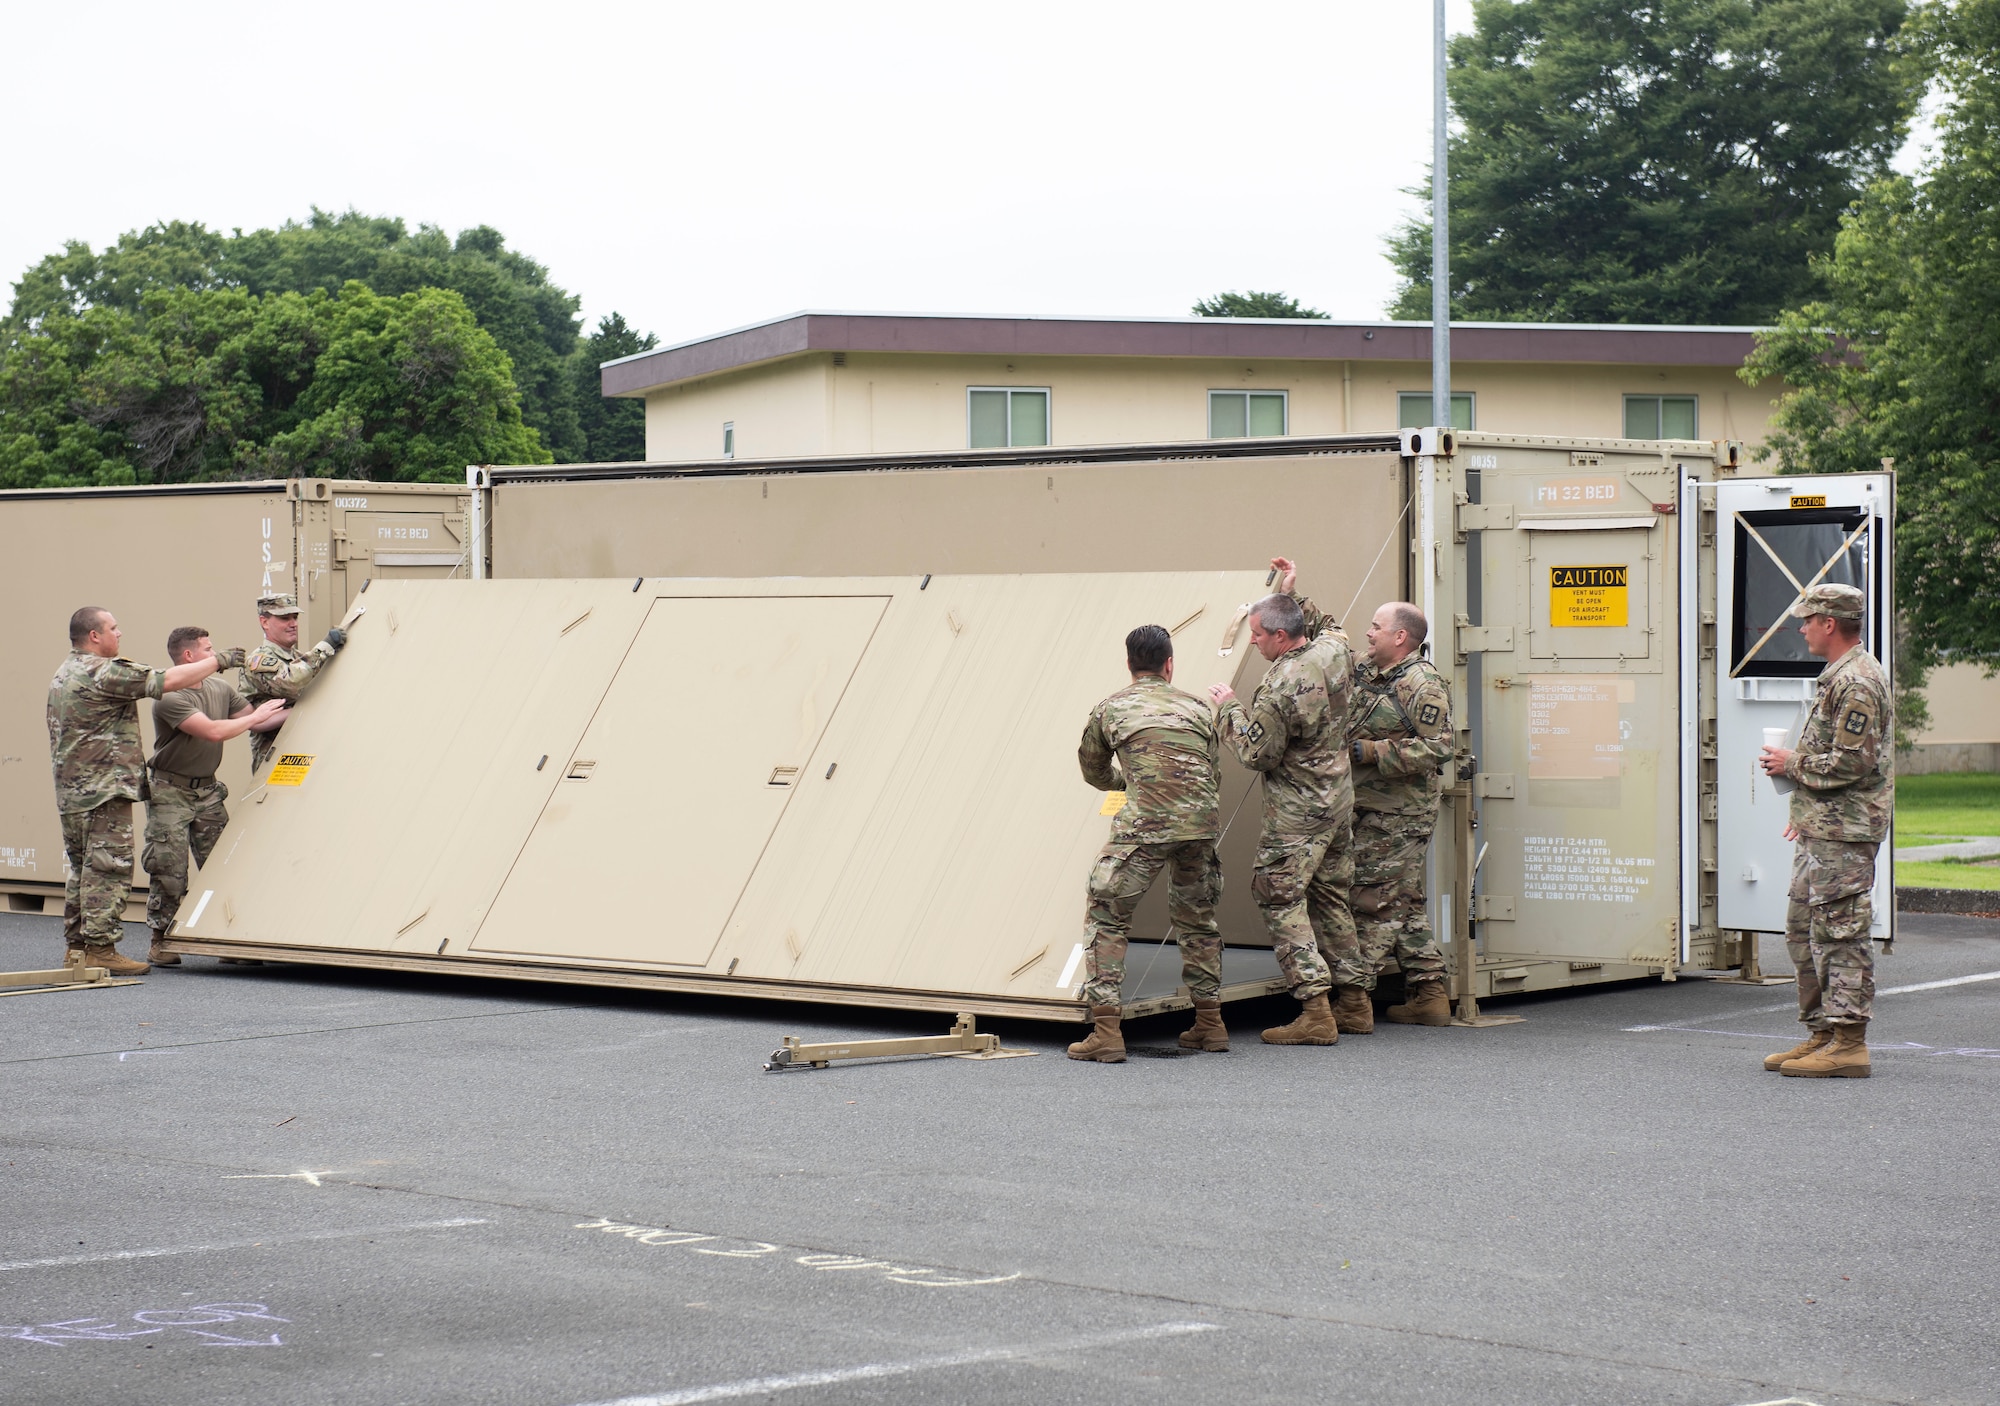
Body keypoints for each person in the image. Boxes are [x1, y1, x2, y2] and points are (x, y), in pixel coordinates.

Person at [1208, 558, 1367, 1046]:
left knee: (1279, 897)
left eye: (1257, 634)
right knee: (1330, 897)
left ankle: (1316, 1010)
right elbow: (1330, 626)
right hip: (1337, 802)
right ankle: (1356, 1002)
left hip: (1296, 814)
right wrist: (1292, 592)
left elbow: (1258, 753)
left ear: (1279, 636)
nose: (1252, 641)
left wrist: (1228, 708)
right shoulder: (1335, 652)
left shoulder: (1280, 685)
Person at [47, 607, 241, 975]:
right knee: (108, 869)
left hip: (74, 792)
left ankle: (76, 948)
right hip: (103, 790)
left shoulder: (65, 671)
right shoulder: (101, 670)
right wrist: (221, 660)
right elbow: (165, 681)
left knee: (82, 871)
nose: (119, 634)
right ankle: (101, 950)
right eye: (113, 628)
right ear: (94, 636)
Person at [1068, 625, 1228, 1064]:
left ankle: (1105, 1032)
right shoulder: (1198, 708)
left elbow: (1093, 770)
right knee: (1198, 921)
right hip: (1200, 825)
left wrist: (1128, 782)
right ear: (1169, 664)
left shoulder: (1111, 708)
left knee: (1107, 915)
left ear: (1129, 665)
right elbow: (1212, 773)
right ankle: (1210, 1024)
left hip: (1146, 826)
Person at [1758, 583, 1892, 1079]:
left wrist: (1793, 764)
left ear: (1829, 624)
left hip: (1846, 832)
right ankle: (1822, 1032)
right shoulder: (1838, 675)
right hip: (1823, 827)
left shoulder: (1857, 681)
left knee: (1840, 933)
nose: (1802, 627)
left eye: (1807, 619)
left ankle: (1849, 1042)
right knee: (1801, 929)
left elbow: (1852, 762)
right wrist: (1804, 809)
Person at [140, 628, 287, 966]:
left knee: (222, 864)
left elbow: (259, 722)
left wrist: (301, 710)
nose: (214, 653)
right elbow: (214, 730)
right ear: (189, 656)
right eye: (208, 649)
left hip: (206, 790)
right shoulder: (170, 697)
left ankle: (225, 939)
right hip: (169, 792)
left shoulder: (219, 688)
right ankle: (162, 940)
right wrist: (256, 717)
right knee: (169, 868)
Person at [1344, 602, 1457, 1029]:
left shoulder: (1420, 683)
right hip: (1372, 807)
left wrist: (1374, 751)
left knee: (1373, 900)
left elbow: (1440, 747)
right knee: (1403, 899)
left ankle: (1354, 1001)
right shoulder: (1373, 671)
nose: (1368, 633)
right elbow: (1328, 638)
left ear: (1400, 637)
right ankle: (1429, 995)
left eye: (1376, 627)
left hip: (1400, 814)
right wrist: (1296, 599)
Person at [240, 593, 346, 772]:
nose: (293, 624)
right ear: (264, 622)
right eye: (284, 618)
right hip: (274, 757)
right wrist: (325, 646)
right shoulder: (258, 660)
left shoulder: (298, 658)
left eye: (295, 617)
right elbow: (291, 680)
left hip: (303, 751)